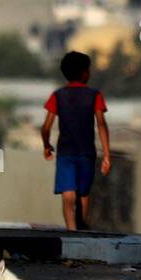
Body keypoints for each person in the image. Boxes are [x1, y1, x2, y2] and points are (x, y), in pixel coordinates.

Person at [41, 51, 111, 231]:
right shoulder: (95, 95)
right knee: (83, 192)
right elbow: (101, 124)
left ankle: (72, 229)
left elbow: (46, 126)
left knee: (68, 192)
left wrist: (46, 145)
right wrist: (107, 155)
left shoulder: (58, 95)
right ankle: (78, 229)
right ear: (84, 73)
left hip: (65, 151)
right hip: (87, 151)